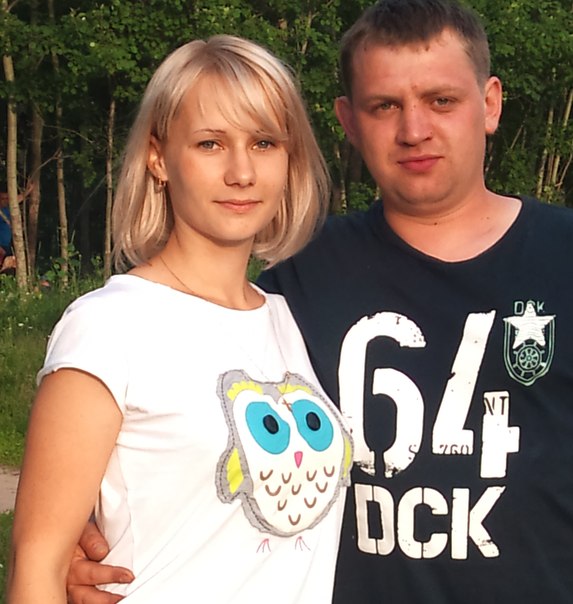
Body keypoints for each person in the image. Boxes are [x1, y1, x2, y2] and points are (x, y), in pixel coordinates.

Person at [67, 0, 573, 602]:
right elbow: (173, 434)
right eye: (385, 106)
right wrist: (75, 537)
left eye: (441, 100)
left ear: (489, 104)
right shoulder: (295, 279)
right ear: (348, 121)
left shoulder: (563, 256)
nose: (414, 130)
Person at [8, 35, 353, 604]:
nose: (242, 172)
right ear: (159, 157)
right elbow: (36, 568)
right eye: (210, 143)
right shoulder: (109, 326)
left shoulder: (288, 319)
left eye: (264, 142)